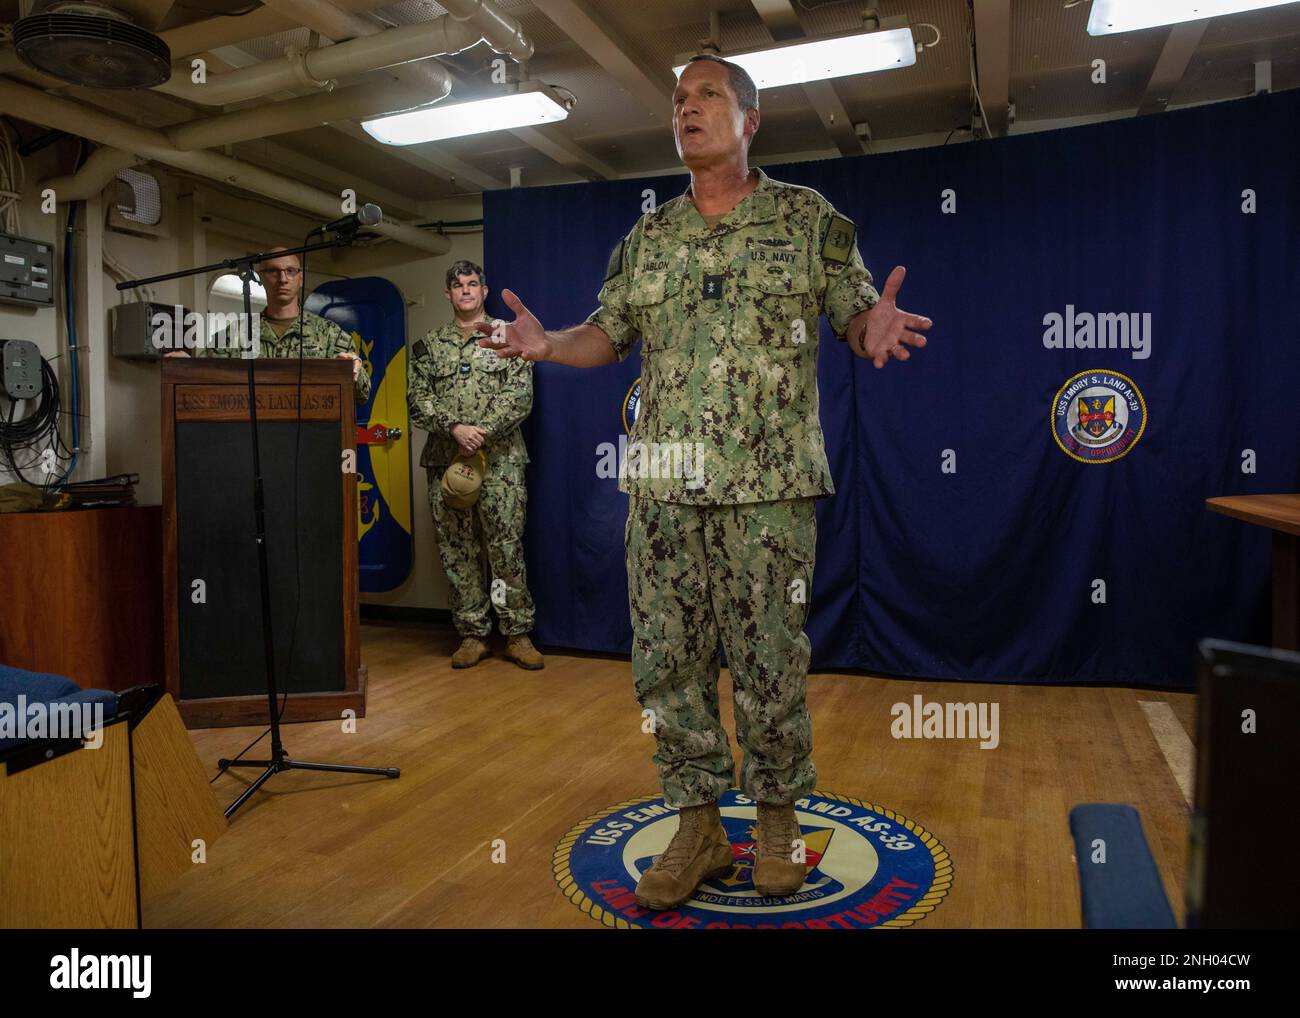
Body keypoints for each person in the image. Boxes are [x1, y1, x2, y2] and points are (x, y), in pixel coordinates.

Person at [478, 55, 932, 909]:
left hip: (768, 490)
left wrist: (873, 324)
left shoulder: (807, 220)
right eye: (678, 99)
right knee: (667, 665)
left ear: (750, 118)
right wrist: (547, 346)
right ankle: (696, 827)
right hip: (660, 491)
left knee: (769, 661)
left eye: (707, 95)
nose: (687, 108)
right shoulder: (645, 240)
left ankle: (775, 824)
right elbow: (605, 336)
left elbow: (856, 313)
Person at [408, 260, 543, 671]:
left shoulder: (508, 337)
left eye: (472, 284)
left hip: (499, 462)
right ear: (448, 295)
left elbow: (519, 396)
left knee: (505, 550)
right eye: (457, 285)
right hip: (446, 461)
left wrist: (481, 430)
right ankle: (472, 634)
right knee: (457, 550)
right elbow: (417, 399)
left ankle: (516, 633)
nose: (465, 290)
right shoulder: (428, 346)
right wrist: (454, 428)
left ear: (484, 291)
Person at [165, 247, 369, 405]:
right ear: (261, 278)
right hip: (250, 442)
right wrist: (187, 366)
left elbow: (362, 396)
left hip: (311, 440)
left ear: (300, 278)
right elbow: (204, 380)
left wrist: (355, 371)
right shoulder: (233, 335)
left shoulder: (330, 335)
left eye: (290, 271)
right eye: (273, 271)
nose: (282, 279)